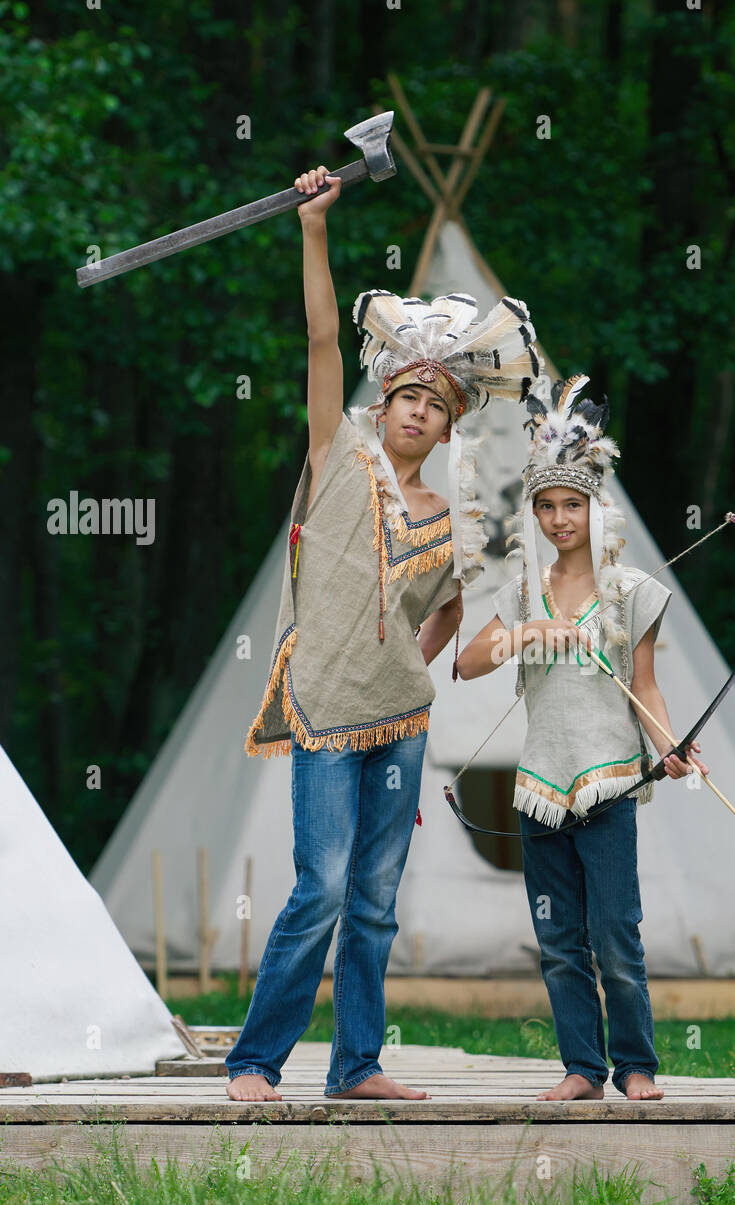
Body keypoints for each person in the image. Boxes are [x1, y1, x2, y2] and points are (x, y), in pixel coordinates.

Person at [226, 164, 538, 1102]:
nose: (419, 409)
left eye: (438, 404)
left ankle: (356, 1066)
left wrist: (416, 661)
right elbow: (323, 336)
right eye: (409, 393)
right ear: (385, 399)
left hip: (401, 718)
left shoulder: (449, 518)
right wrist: (314, 228)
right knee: (317, 889)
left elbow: (445, 609)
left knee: (372, 905)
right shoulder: (336, 459)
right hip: (325, 707)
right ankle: (253, 1062)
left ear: (449, 428)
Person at [456, 375, 707, 1101]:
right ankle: (580, 1069)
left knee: (615, 936)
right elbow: (467, 664)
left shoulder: (631, 590)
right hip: (539, 785)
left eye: (572, 504)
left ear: (596, 507)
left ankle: (635, 1066)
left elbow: (646, 686)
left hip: (610, 779)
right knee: (559, 943)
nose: (559, 518)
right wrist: (527, 632)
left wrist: (668, 746)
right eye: (546, 507)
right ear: (531, 513)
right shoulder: (520, 592)